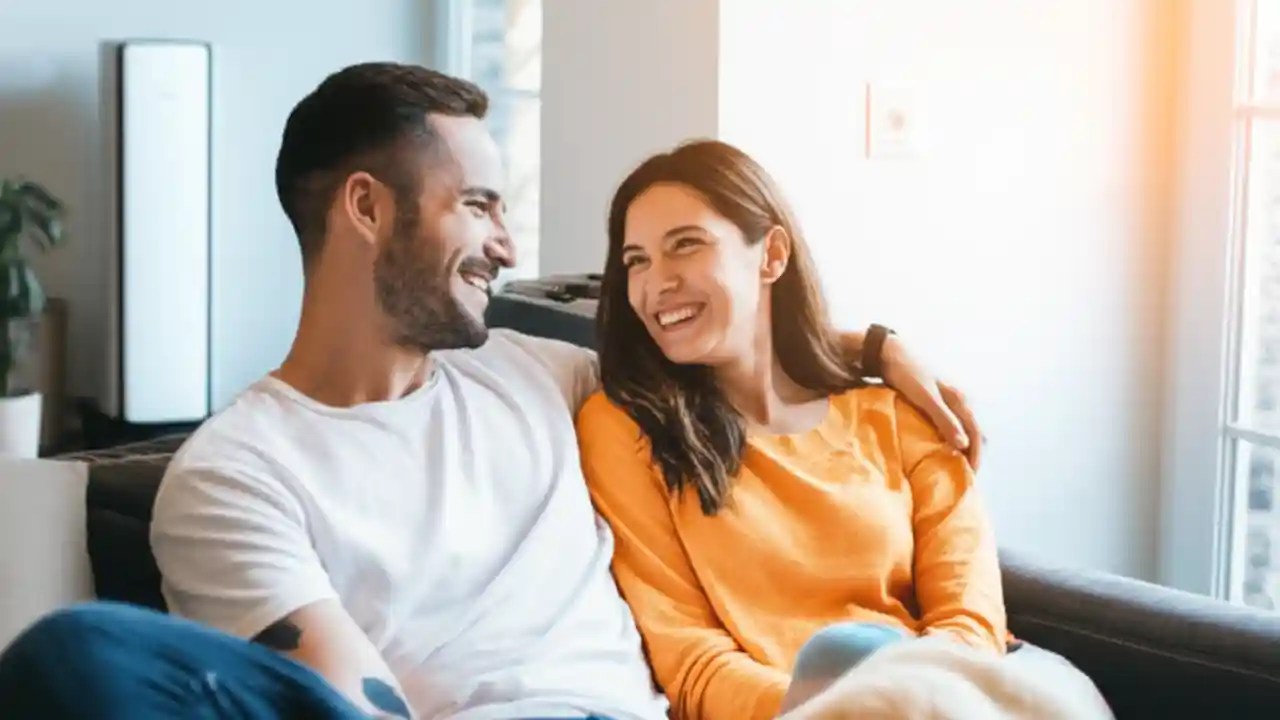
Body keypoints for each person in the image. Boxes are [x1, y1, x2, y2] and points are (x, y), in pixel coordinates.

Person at [0, 63, 981, 719]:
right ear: (366, 210)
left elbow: (718, 334)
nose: (508, 247)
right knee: (76, 657)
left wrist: (873, 347)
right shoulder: (236, 473)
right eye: (476, 204)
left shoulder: (541, 375)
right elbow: (345, 701)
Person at [576, 139, 1007, 720]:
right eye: (637, 261)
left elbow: (972, 622)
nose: (658, 283)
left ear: (771, 255)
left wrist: (904, 703)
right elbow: (689, 659)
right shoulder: (623, 430)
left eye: (686, 245)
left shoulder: (903, 420)